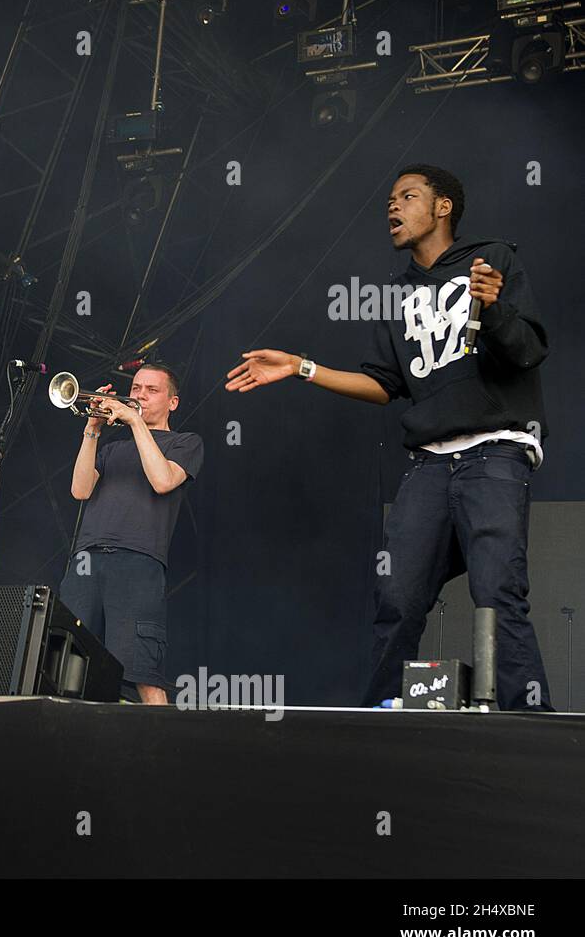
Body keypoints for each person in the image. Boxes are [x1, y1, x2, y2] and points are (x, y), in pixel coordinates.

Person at [225, 164, 552, 711]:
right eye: (390, 201)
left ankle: (531, 724)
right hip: (428, 462)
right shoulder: (396, 293)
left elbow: (528, 351)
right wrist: (301, 367)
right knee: (397, 597)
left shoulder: (490, 258)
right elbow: (383, 383)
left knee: (497, 594)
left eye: (408, 196)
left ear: (443, 206)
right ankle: (379, 719)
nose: (393, 207)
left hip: (495, 450)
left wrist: (494, 310)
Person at [60, 363, 204, 704]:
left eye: (151, 390)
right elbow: (80, 490)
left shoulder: (186, 443)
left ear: (173, 402)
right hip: (87, 562)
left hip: (138, 565)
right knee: (68, 666)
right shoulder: (111, 450)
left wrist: (136, 420)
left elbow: (162, 480)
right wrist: (92, 430)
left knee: (143, 673)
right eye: (136, 387)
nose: (139, 395)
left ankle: (162, 751)